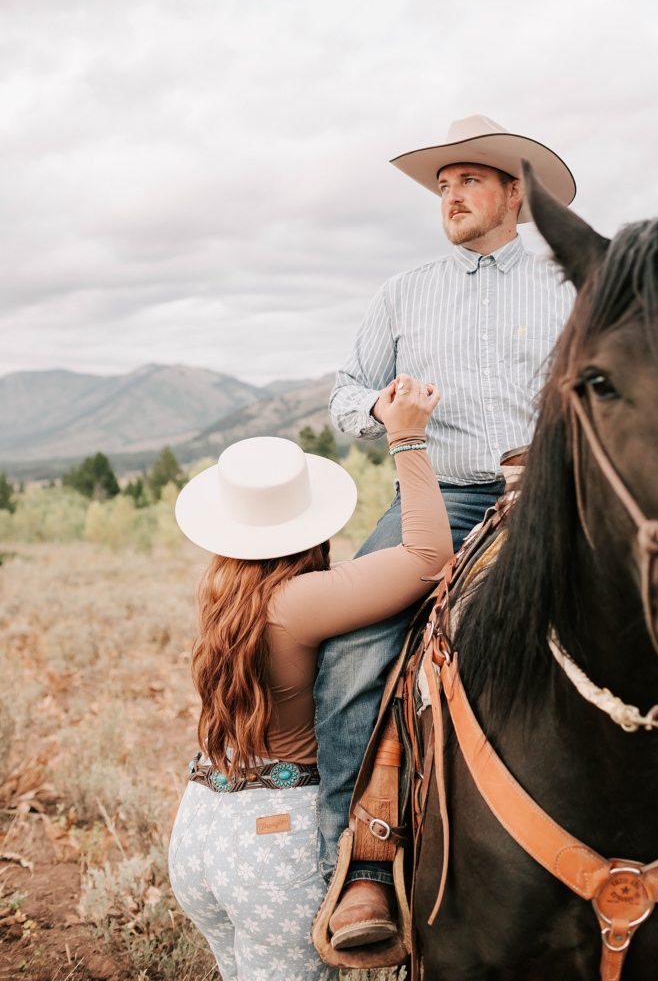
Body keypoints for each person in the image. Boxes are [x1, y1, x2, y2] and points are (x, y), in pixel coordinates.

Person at [318, 115, 578, 943]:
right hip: (444, 493)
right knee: (354, 649)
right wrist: (381, 409)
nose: (452, 196)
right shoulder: (405, 290)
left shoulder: (572, 280)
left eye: (469, 180)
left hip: (558, 493)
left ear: (515, 193)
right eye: (443, 185)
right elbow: (344, 392)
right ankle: (361, 868)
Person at [168, 375, 453, 981]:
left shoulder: (223, 594)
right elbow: (430, 557)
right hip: (274, 842)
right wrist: (406, 438)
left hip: (200, 824)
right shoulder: (298, 601)